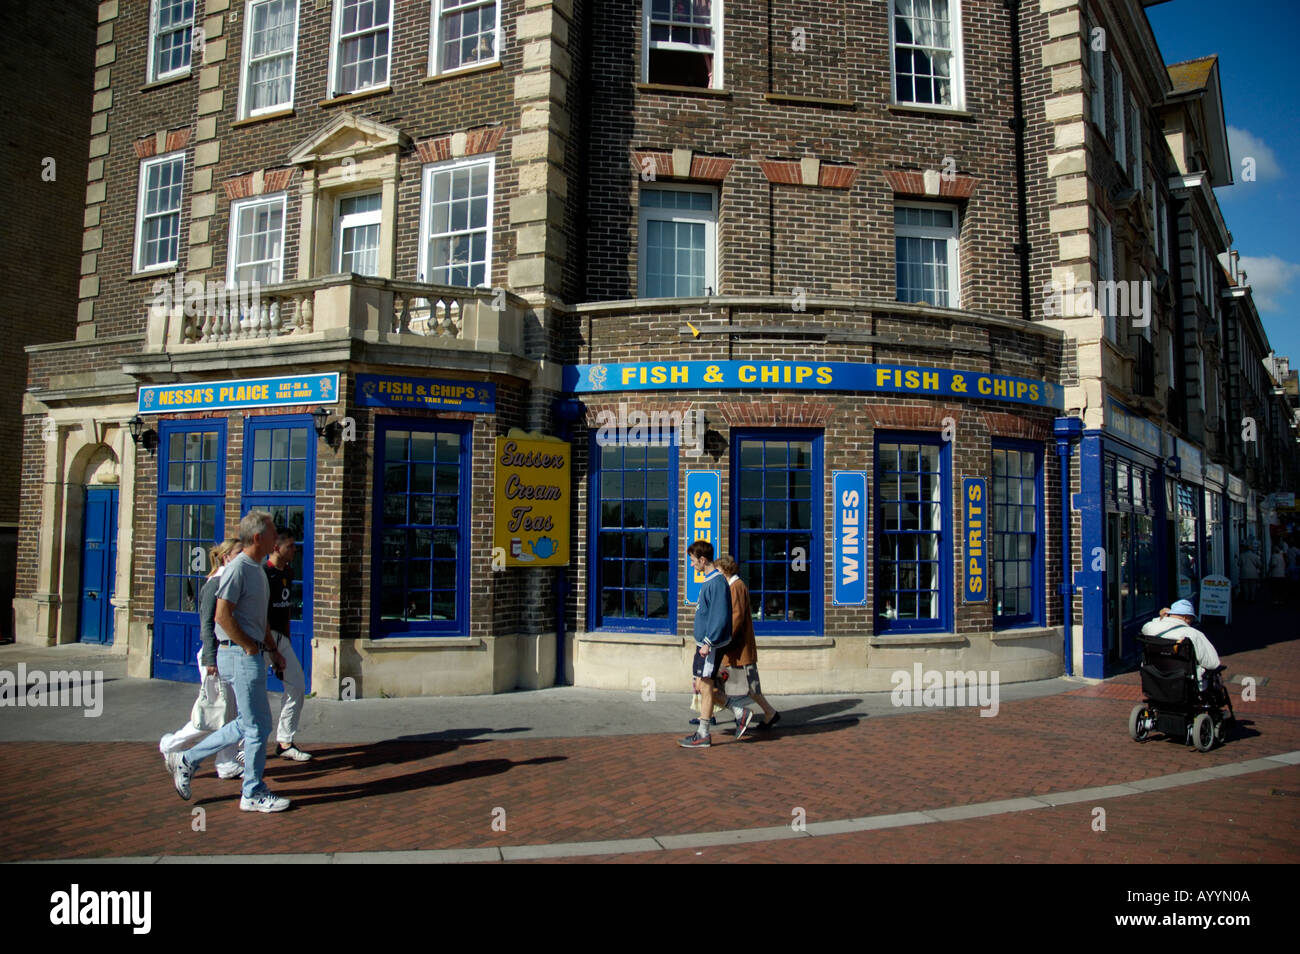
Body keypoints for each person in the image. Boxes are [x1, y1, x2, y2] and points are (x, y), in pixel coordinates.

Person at [167, 510, 291, 813]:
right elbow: (222, 615)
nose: (278, 538)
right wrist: (250, 647)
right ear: (260, 537)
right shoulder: (239, 568)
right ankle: (252, 791)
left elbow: (257, 617)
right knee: (258, 727)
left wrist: (272, 650)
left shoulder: (257, 569)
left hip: (250, 654)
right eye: (274, 533)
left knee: (251, 724)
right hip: (238, 655)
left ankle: (187, 759)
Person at [158, 538, 242, 778]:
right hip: (214, 655)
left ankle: (226, 762)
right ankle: (171, 744)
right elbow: (207, 623)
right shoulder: (214, 584)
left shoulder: (232, 581)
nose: (242, 557)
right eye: (237, 553)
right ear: (226, 557)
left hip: (227, 654)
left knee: (229, 713)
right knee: (210, 712)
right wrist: (210, 658)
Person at [714, 555, 779, 734]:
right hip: (737, 648)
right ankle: (766, 713)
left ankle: (760, 713)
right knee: (745, 686)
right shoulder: (734, 586)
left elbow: (736, 618)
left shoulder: (736, 587)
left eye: (718, 570)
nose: (716, 573)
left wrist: (722, 640)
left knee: (743, 686)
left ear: (726, 570)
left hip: (738, 648)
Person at [265, 528, 312, 761]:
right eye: (290, 546)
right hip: (263, 639)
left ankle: (284, 741)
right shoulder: (263, 573)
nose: (295, 550)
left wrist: (285, 641)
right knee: (249, 695)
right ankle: (240, 748)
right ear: (276, 547)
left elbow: (285, 611)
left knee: (296, 685)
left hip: (282, 638)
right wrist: (271, 648)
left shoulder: (289, 572)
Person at [679, 540, 731, 749]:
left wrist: (708, 642)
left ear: (702, 559)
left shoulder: (716, 582)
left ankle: (703, 733)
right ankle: (738, 711)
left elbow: (720, 616)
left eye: (693, 561)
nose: (692, 565)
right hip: (705, 644)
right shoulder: (711, 581)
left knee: (706, 687)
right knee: (701, 685)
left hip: (709, 646)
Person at [1140, 599, 1220, 689]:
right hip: (1186, 686)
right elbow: (1213, 664)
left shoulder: (1150, 628)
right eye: (1192, 619)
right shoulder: (1194, 634)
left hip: (1156, 682)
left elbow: (1146, 628)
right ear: (1186, 617)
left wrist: (1161, 618)